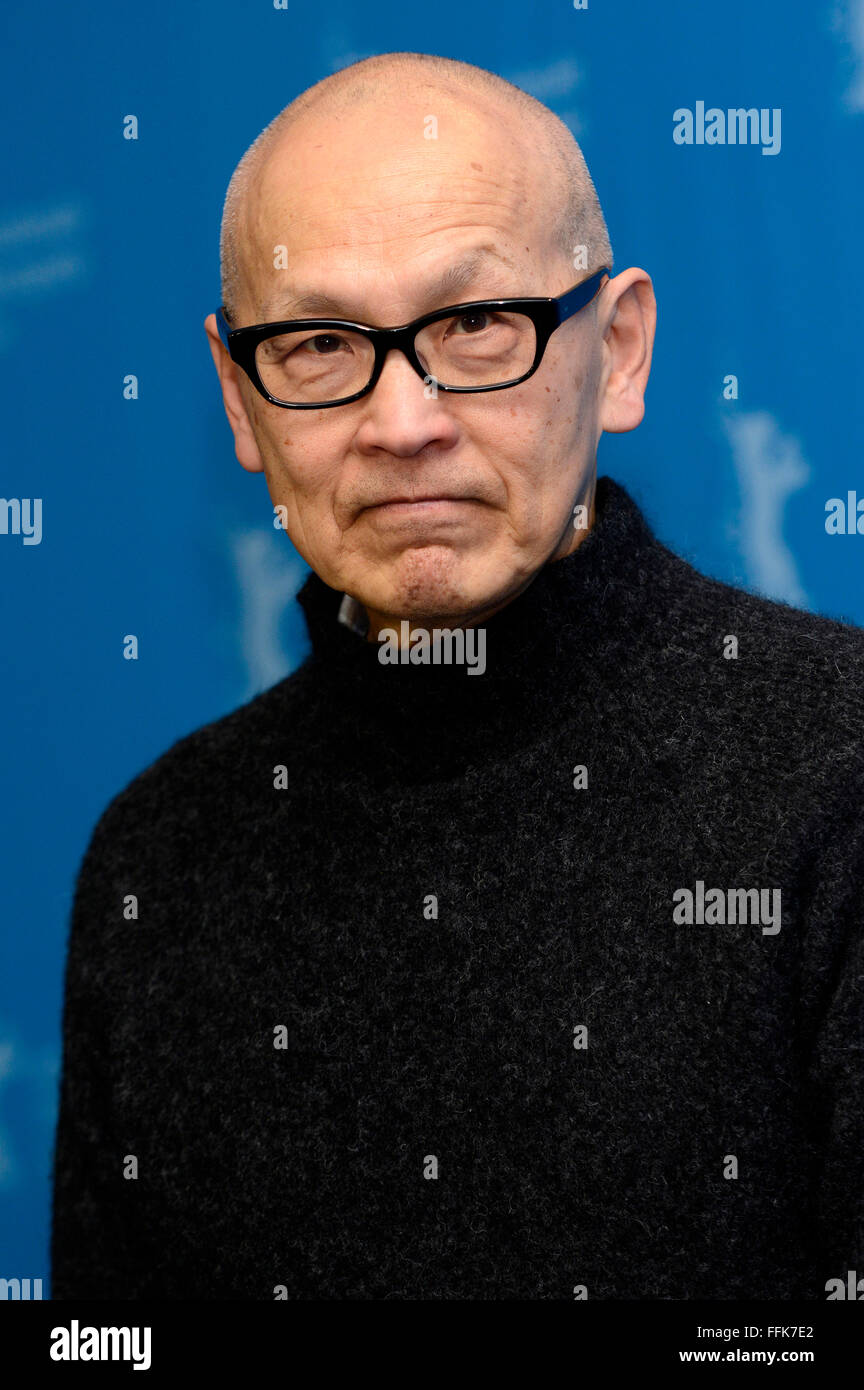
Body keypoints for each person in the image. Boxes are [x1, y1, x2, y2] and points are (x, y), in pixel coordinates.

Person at [51, 50, 864, 1300]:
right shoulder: (159, 857)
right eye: (321, 342)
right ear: (240, 398)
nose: (403, 420)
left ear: (623, 350)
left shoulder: (838, 771)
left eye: (476, 324)